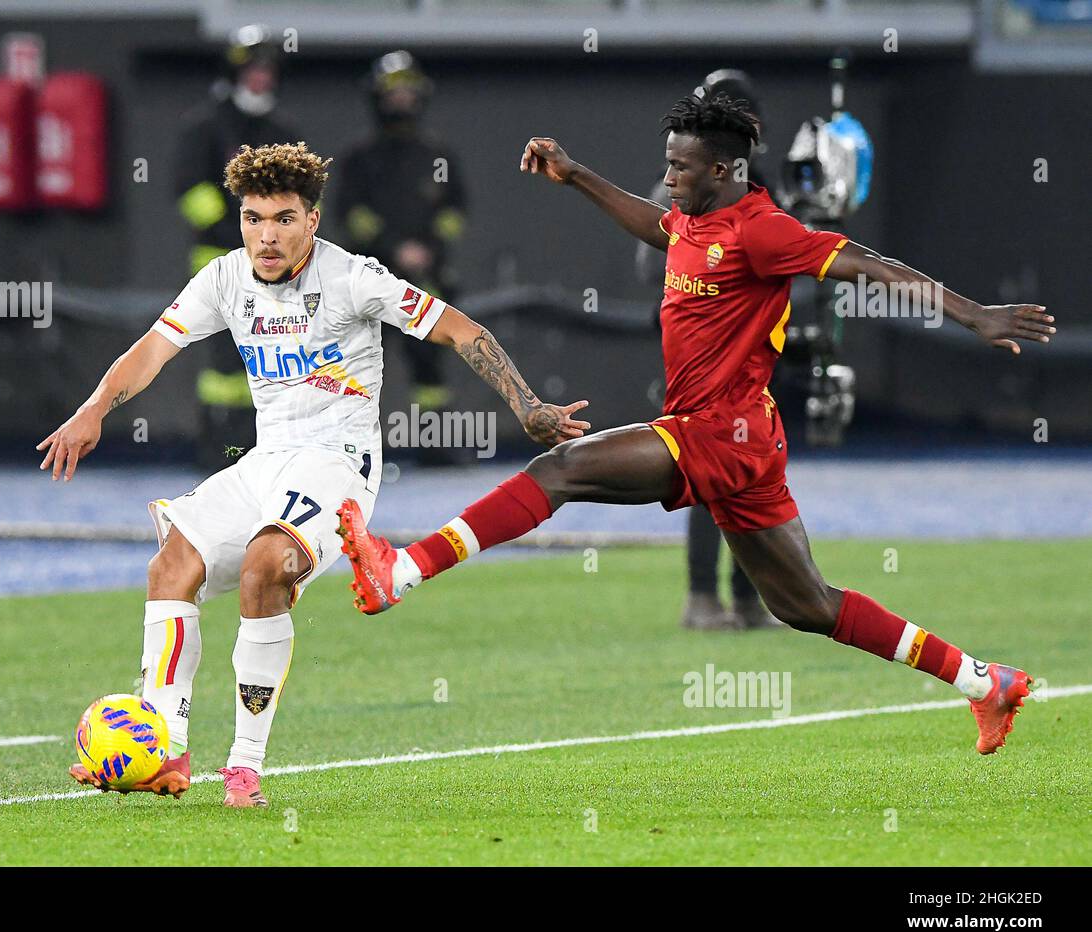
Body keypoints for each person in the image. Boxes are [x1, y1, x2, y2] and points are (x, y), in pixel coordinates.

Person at [336, 95, 1055, 756]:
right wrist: (579, 175)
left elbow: (869, 265)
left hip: (721, 430)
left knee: (559, 471)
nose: (669, 177)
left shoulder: (763, 230)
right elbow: (659, 227)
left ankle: (403, 568)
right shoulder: (695, 217)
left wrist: (973, 315)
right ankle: (984, 682)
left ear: (723, 168)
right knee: (808, 605)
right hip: (746, 443)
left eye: (680, 166)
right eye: (668, 163)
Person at [39, 143, 588, 807]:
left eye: (283, 219)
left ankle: (243, 769)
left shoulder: (354, 278)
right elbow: (152, 350)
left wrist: (526, 404)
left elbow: (460, 329)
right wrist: (93, 410)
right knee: (170, 566)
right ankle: (165, 749)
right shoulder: (223, 279)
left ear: (313, 220)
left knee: (263, 567)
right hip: (266, 460)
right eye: (252, 218)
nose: (265, 236)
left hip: (338, 465)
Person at [637, 69, 776, 631]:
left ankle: (747, 598)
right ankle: (700, 596)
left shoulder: (763, 190)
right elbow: (655, 259)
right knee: (705, 473)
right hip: (700, 357)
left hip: (752, 358)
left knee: (751, 479)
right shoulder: (683, 188)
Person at [172, 23, 300, 463]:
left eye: (267, 69)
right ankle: (219, 446)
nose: (261, 77)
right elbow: (191, 190)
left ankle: (257, 450)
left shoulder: (281, 128)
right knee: (225, 357)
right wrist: (242, 237)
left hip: (273, 264)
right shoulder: (206, 125)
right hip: (221, 260)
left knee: (270, 354)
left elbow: (298, 195)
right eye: (252, 69)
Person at [335, 51, 468, 456]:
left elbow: (454, 211)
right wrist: (395, 249)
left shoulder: (436, 154)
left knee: (430, 363)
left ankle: (435, 448)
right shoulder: (360, 156)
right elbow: (351, 215)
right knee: (357, 364)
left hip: (425, 279)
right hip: (371, 278)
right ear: (377, 97)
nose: (402, 99)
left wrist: (428, 251)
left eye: (408, 91)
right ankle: (348, 449)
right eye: (393, 92)